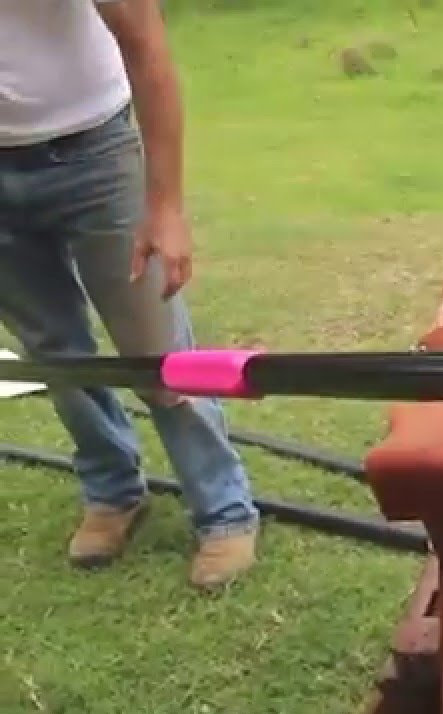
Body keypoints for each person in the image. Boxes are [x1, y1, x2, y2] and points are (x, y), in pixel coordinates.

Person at [0, 1, 259, 590]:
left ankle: (223, 509)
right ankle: (112, 490)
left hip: (92, 153)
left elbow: (146, 42)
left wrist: (165, 207)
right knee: (53, 349)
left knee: (155, 348)